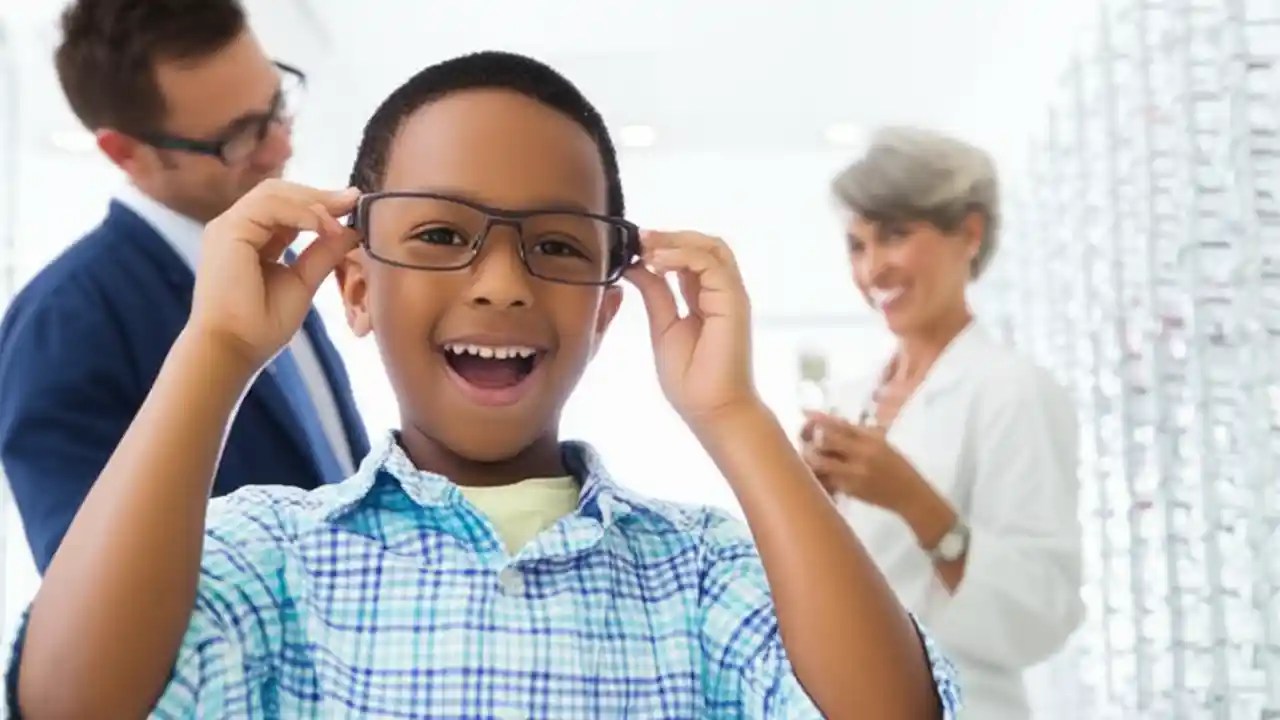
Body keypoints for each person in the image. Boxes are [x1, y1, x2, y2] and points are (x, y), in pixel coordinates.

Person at [6, 52, 962, 719]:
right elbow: (73, 702)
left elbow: (886, 710)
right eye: (440, 235)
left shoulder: (702, 567)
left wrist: (734, 416)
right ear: (355, 287)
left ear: (603, 310)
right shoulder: (269, 552)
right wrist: (215, 352)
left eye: (554, 245)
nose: (501, 281)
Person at [0, 0, 369, 573]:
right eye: (239, 137)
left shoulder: (277, 254)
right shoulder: (62, 321)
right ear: (125, 152)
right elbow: (84, 598)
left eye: (276, 105)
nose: (281, 149)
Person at [801, 126, 1085, 719]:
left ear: (970, 233)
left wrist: (915, 503)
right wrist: (809, 506)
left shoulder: (1013, 393)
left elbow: (1041, 614)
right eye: (856, 245)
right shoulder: (854, 398)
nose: (872, 269)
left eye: (895, 236)